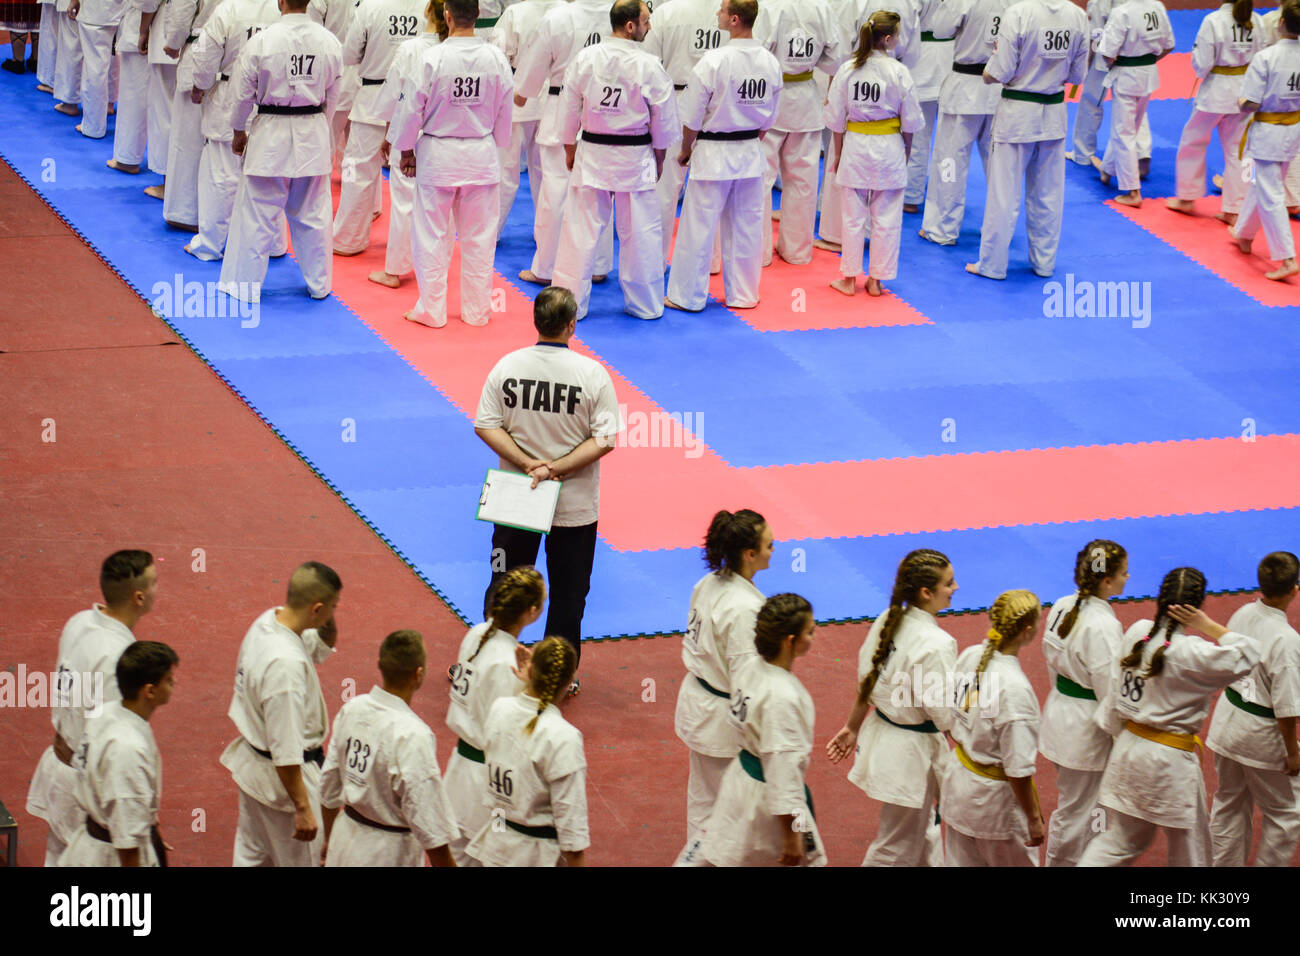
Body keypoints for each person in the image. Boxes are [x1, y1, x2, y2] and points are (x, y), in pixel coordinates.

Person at [474, 286, 621, 683]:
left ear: (535, 321)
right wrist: (554, 469)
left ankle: (489, 664)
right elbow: (605, 439)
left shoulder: (507, 366)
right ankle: (558, 675)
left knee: (505, 585)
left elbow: (485, 423)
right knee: (569, 595)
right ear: (572, 325)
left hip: (515, 496)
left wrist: (527, 464)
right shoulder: (593, 375)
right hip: (572, 505)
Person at [1080, 567, 1261, 866]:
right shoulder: (1193, 652)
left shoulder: (1137, 632)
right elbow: (1249, 653)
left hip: (1128, 750)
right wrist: (1209, 625)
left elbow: (1114, 695)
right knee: (1189, 848)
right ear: (1197, 607)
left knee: (1119, 841)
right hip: (1169, 763)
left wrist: (1115, 733)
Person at [826, 548, 957, 866]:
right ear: (926, 592)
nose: (955, 589)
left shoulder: (890, 620)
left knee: (932, 824)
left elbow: (866, 680)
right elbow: (944, 715)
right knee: (896, 843)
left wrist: (853, 726)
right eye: (949, 583)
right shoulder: (937, 644)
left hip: (891, 737)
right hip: (910, 751)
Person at [25, 550, 157, 866]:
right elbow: (109, 746)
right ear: (138, 597)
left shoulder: (79, 621)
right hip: (84, 790)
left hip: (58, 767)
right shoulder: (119, 659)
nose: (157, 590)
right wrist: (140, 825)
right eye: (154, 583)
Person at [388, 0, 514, 326]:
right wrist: (497, 142)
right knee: (480, 239)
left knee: (431, 235)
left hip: (438, 155)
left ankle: (432, 310)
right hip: (480, 154)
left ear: (446, 16)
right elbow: (504, 111)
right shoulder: (496, 59)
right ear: (479, 15)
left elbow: (411, 108)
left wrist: (405, 150)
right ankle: (477, 312)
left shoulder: (432, 58)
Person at [551, 0, 678, 321]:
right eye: (646, 22)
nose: (649, 27)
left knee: (578, 230)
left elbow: (568, 107)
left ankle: (569, 307)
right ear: (630, 26)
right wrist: (660, 155)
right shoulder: (650, 65)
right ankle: (645, 304)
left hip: (592, 152)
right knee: (641, 232)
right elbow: (662, 118)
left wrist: (569, 145)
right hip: (635, 156)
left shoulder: (586, 58)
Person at [218, 0, 344, 303]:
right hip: (312, 128)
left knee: (257, 214)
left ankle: (244, 287)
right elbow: (334, 94)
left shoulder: (262, 41)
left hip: (270, 133)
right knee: (313, 214)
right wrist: (319, 126)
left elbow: (241, 94)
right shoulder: (329, 42)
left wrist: (238, 130)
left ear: (280, 2)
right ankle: (320, 284)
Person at [220, 561, 342, 866]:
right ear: (316, 609)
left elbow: (322, 643)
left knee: (253, 857)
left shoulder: (269, 621)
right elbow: (285, 747)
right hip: (286, 782)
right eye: (333, 607)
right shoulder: (284, 667)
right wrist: (302, 806)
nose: (334, 612)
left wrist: (329, 610)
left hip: (254, 771)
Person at [665, 0, 782, 312]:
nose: (716, 13)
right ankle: (743, 294)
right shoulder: (769, 62)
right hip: (750, 153)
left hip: (713, 153)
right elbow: (769, 119)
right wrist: (748, 138)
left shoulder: (714, 61)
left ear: (733, 19)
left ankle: (686, 296)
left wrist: (686, 149)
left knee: (698, 228)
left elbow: (691, 116)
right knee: (746, 226)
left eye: (721, 10)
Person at [674, 509, 773, 865]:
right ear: (749, 553)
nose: (773, 549)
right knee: (730, 815)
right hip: (724, 717)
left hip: (699, 702)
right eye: (768, 545)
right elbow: (747, 678)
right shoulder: (746, 608)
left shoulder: (710, 583)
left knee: (703, 804)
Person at [697, 593, 826, 866]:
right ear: (791, 641)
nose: (815, 635)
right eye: (810, 631)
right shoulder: (783, 697)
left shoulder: (749, 667)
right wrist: (792, 834)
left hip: (741, 778)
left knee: (727, 853)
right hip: (769, 798)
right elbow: (782, 767)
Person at [964, 0, 1088, 280]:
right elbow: (1079, 74)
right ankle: (1044, 263)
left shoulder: (1018, 13)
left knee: (1004, 194)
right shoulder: (1078, 16)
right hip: (1054, 114)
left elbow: (1000, 71)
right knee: (1048, 194)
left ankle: (993, 265)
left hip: (1017, 114)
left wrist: (986, 72)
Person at [319, 630, 458, 866]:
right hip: (388, 854)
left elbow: (329, 785)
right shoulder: (414, 734)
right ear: (419, 675)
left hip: (345, 839)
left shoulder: (352, 708)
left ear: (379, 665)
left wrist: (330, 838)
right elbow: (431, 825)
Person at [444, 567, 544, 865]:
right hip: (485, 782)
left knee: (455, 855)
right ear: (532, 612)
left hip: (458, 769)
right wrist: (531, 687)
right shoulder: (507, 663)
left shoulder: (477, 634)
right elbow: (504, 732)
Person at [1038, 539, 1129, 867]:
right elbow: (1111, 691)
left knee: (1087, 811)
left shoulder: (1063, 604)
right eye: (1123, 573)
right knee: (1079, 813)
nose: (1127, 579)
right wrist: (1122, 737)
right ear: (1106, 580)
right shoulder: (1103, 626)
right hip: (1087, 729)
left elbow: (1051, 661)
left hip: (1062, 712)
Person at [1206, 552, 1300, 867]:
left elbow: (1227, 662)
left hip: (1228, 721)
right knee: (1286, 812)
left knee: (1229, 803)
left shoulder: (1243, 612)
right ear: (1294, 590)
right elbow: (1287, 708)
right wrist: (1293, 751)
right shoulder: (1287, 640)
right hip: (1260, 736)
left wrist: (1248, 691)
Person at [512, 0, 615, 286]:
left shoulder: (557, 18)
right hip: (605, 110)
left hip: (561, 105)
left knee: (555, 191)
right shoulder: (617, 14)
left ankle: (546, 267)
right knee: (599, 191)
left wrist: (522, 93)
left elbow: (535, 66)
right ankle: (599, 264)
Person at [941, 590, 1045, 866]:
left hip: (958, 781)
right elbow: (1018, 770)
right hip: (993, 804)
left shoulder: (971, 655)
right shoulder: (1016, 689)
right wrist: (1033, 817)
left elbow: (950, 714)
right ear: (1028, 630)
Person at [464, 636, 589, 866]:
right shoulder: (563, 737)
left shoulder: (499, 710)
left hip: (496, 842)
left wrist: (527, 679)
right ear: (570, 681)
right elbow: (572, 832)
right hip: (536, 856)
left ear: (530, 672)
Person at [824, 12, 924, 298]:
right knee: (887, 217)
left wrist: (838, 154)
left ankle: (848, 278)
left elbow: (835, 119)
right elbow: (911, 122)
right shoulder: (898, 72)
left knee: (852, 217)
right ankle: (876, 280)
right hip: (889, 147)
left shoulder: (848, 69)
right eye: (899, 34)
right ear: (889, 39)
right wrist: (905, 152)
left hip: (855, 145)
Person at [57, 641, 179, 867]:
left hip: (92, 842)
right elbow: (127, 841)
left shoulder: (107, 712)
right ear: (149, 691)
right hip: (113, 858)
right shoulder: (127, 749)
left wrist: (149, 824)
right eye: (169, 680)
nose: (175, 682)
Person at [185, 0, 283, 260]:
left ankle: (210, 244)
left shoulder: (228, 9)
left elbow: (206, 55)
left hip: (231, 93)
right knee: (269, 176)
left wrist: (200, 85)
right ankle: (273, 243)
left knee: (222, 174)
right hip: (273, 100)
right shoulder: (283, 10)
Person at [330, 0, 429, 257]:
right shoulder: (427, 7)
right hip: (414, 101)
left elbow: (349, 54)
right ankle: (408, 252)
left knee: (357, 171)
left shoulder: (370, 8)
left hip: (372, 99)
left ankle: (348, 239)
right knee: (409, 181)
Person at [917, 0, 1014, 246]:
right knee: (999, 166)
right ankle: (998, 230)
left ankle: (943, 229)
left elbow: (940, 29)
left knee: (950, 162)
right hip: (1002, 88)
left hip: (965, 89)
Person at [366, 0, 449, 289]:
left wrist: (390, 134)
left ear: (427, 12)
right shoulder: (455, 49)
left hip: (411, 134)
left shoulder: (411, 49)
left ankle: (395, 270)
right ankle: (437, 267)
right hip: (445, 135)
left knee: (404, 202)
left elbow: (395, 97)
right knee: (441, 206)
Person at [752, 0, 840, 267]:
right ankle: (797, 250)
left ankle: (760, 253)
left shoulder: (769, 7)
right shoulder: (822, 8)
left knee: (761, 178)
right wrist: (808, 63)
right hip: (806, 97)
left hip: (770, 98)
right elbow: (835, 59)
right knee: (803, 179)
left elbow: (756, 54)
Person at [1165, 0, 1266, 226]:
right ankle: (1234, 209)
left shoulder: (1213, 21)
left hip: (1216, 93)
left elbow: (1202, 65)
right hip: (1245, 92)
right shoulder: (1257, 20)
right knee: (1238, 150)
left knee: (1193, 141)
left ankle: (1187, 197)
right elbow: (1262, 59)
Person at [644, 0, 730, 264]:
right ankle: (710, 261)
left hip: (674, 100)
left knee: (666, 188)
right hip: (718, 104)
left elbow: (648, 63)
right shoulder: (729, 13)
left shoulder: (666, 13)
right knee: (711, 188)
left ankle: (654, 260)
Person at [1230, 0, 1300, 282]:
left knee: (1271, 193)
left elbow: (1249, 103)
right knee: (1264, 183)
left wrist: (1239, 101)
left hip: (1269, 130)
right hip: (1294, 127)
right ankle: (1244, 234)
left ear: (1280, 23)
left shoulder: (1267, 57)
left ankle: (1287, 257)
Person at [488, 0, 561, 240]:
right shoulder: (567, 13)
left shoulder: (516, 12)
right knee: (547, 174)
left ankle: (492, 233)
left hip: (519, 91)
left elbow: (498, 53)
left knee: (506, 170)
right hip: (554, 98)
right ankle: (549, 238)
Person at [1091, 0, 1175, 206]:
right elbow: (1169, 45)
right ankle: (1107, 169)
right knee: (1131, 127)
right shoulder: (1157, 7)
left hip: (1126, 77)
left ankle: (1133, 191)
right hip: (1148, 74)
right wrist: (1147, 61)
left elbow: (1108, 54)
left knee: (1124, 132)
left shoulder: (1122, 13)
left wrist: (1116, 63)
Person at [1066, 0, 1153, 176]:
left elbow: (1095, 27)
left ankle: (1083, 153)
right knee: (1134, 103)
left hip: (1107, 52)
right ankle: (1142, 153)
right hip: (1136, 51)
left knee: (1092, 100)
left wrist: (1086, 59)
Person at [160, 0, 224, 230]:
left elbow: (182, 8)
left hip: (200, 49)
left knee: (188, 137)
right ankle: (218, 215)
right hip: (236, 55)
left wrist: (172, 41)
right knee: (223, 146)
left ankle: (185, 212)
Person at [904, 0, 954, 215]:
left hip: (920, 57)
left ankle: (911, 195)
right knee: (950, 143)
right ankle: (945, 199)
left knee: (918, 136)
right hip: (953, 59)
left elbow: (906, 21)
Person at [107, 0, 159, 172]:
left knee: (134, 93)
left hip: (144, 26)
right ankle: (129, 156)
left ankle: (127, 159)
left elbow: (148, 3)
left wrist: (143, 31)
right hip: (158, 27)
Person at [68, 0, 123, 139]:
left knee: (95, 67)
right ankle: (109, 103)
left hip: (96, 12)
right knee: (113, 55)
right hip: (120, 9)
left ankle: (93, 126)